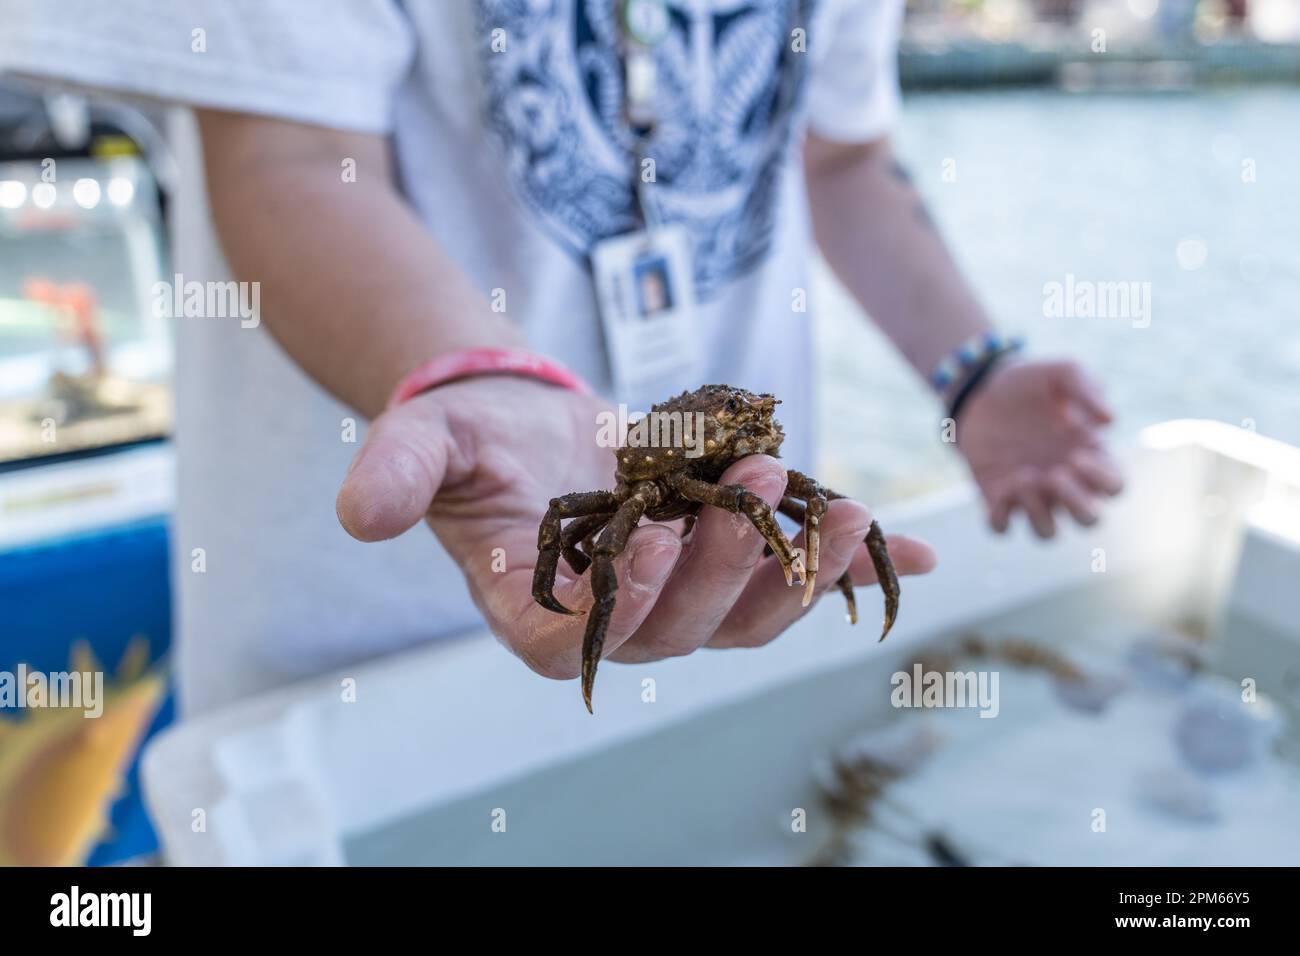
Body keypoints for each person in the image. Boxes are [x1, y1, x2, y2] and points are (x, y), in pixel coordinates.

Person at [0, 0, 1120, 716]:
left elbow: (840, 154)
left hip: (726, 611)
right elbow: (289, 155)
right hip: (361, 626)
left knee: (808, 526)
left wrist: (969, 369)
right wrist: (478, 373)